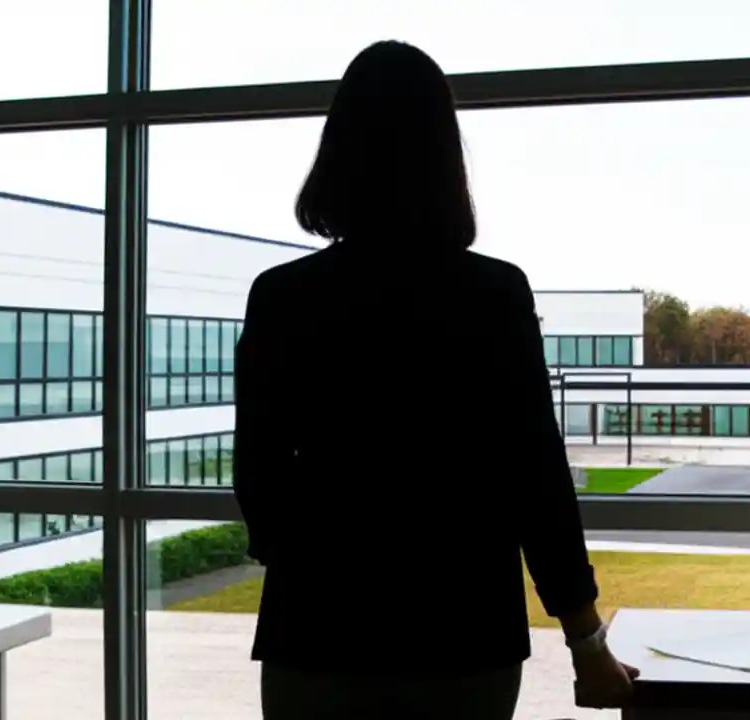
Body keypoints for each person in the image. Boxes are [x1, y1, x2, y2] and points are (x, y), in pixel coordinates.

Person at [233, 40, 638, 720]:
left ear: (337, 151)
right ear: (445, 157)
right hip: (464, 630)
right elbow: (536, 479)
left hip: (318, 628)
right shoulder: (493, 294)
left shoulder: (282, 296)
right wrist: (585, 642)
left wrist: (318, 555)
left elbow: (259, 476)